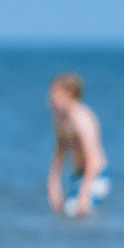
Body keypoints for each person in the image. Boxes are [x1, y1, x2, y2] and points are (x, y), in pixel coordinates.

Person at [46, 73, 110, 217]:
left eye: (54, 93)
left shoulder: (82, 118)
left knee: (76, 212)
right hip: (78, 176)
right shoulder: (60, 118)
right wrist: (54, 186)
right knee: (65, 216)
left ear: (68, 94)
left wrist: (84, 194)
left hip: (97, 175)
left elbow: (92, 159)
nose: (50, 98)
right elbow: (59, 153)